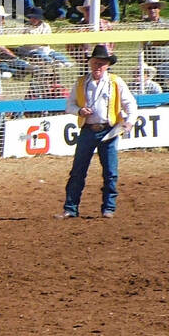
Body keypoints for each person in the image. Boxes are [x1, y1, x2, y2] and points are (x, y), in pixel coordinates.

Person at [56, 45, 137, 219]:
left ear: (107, 65)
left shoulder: (116, 82)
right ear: (90, 63)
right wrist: (79, 111)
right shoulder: (80, 83)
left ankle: (109, 207)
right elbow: (69, 105)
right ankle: (70, 207)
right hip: (87, 130)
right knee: (78, 170)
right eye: (95, 63)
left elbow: (130, 104)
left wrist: (129, 122)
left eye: (101, 63)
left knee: (110, 171)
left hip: (109, 131)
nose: (98, 67)